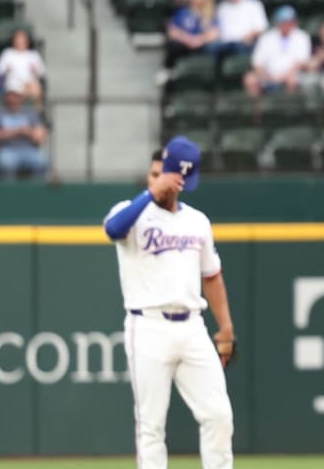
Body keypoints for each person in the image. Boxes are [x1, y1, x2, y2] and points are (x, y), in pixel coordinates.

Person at [102, 139, 236, 469]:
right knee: (151, 426)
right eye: (154, 175)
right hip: (147, 325)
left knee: (219, 415)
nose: (162, 181)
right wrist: (150, 193)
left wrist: (226, 327)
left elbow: (212, 276)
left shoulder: (197, 221)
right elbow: (112, 229)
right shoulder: (130, 212)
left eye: (169, 176)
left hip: (192, 326)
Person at [0, 90, 49, 180]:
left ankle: (36, 192)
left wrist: (27, 132)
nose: (13, 99)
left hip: (29, 150)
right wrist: (17, 131)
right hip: (7, 149)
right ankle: (9, 192)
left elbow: (40, 137)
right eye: (10, 95)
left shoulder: (30, 113)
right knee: (5, 163)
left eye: (16, 95)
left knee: (42, 162)